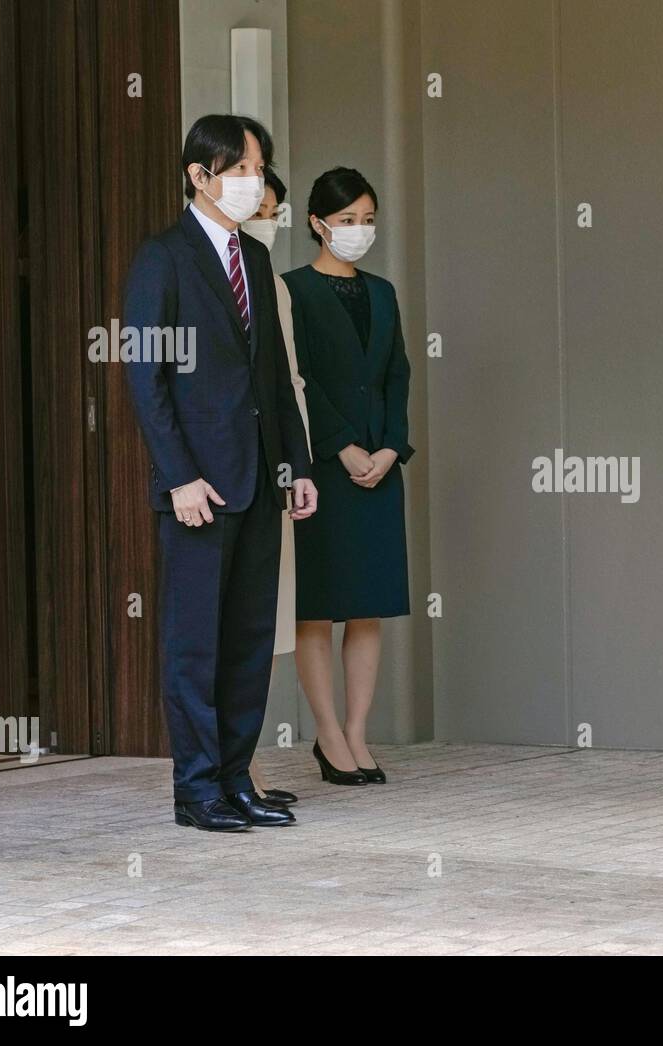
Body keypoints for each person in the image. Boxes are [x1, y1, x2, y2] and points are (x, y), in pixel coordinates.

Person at [123, 114, 318, 831]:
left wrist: (295, 465)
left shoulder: (257, 261)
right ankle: (197, 790)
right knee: (195, 644)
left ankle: (238, 779)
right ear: (198, 176)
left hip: (260, 483)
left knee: (245, 644)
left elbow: (273, 377)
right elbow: (147, 380)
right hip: (198, 491)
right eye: (239, 170)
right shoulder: (163, 258)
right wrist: (179, 478)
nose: (252, 182)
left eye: (258, 169)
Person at [282, 167, 414, 787]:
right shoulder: (292, 291)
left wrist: (391, 448)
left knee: (368, 609)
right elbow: (296, 380)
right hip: (323, 470)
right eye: (345, 221)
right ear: (316, 223)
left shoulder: (383, 292)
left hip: (380, 470)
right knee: (318, 607)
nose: (359, 231)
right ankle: (327, 735)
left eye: (367, 221)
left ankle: (359, 732)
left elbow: (397, 376)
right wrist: (343, 447)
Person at [238, 167, 309, 807]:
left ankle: (248, 764)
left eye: (272, 208)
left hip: (278, 471)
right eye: (258, 204)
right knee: (235, 629)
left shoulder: (271, 283)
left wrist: (300, 465)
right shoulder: (214, 274)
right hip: (237, 477)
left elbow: (287, 387)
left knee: (267, 627)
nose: (265, 215)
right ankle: (234, 771)